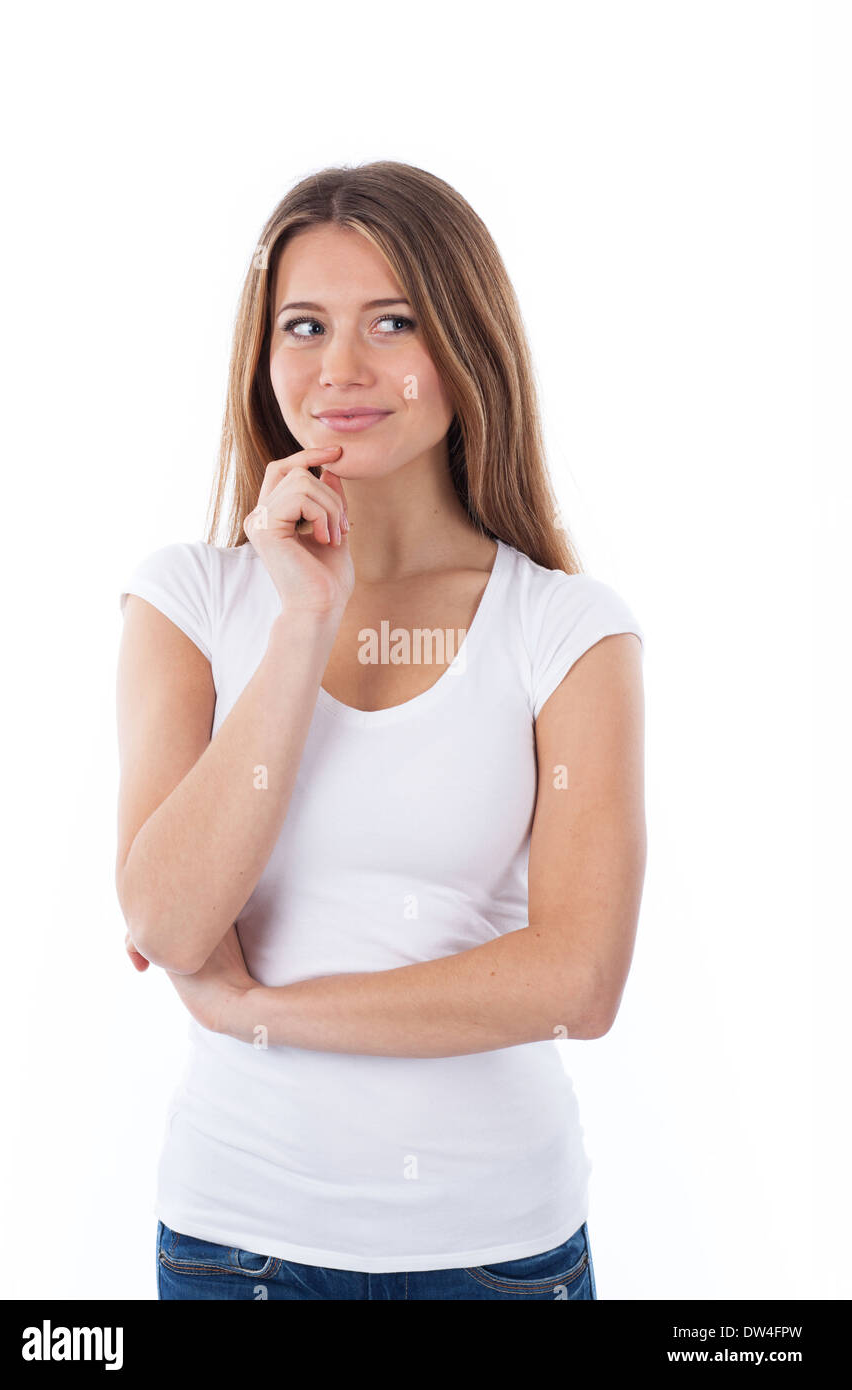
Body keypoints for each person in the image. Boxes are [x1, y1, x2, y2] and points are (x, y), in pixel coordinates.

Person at [116, 160, 646, 1301]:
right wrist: (300, 620)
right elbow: (164, 913)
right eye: (303, 325)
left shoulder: (568, 629)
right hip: (235, 1244)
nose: (341, 369)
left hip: (497, 1253)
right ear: (262, 358)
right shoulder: (189, 602)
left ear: (465, 344)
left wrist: (262, 1011)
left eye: (392, 322)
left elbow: (578, 979)